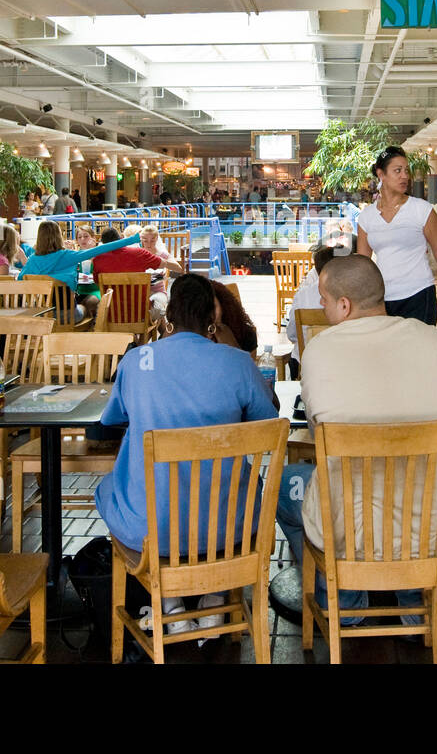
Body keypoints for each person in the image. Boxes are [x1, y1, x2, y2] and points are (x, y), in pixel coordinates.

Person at [275, 254, 437, 623]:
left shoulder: (318, 351)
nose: (320, 305)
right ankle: (417, 609)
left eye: (324, 299)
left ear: (344, 305)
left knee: (284, 487)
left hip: (347, 530)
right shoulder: (436, 341)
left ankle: (344, 604)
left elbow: (317, 426)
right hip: (431, 530)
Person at [95, 273, 278, 636]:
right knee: (227, 490)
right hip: (230, 529)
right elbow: (268, 422)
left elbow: (112, 418)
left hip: (150, 532)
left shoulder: (137, 360)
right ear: (214, 314)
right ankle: (215, 599)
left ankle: (170, 604)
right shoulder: (237, 363)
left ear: (168, 316)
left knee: (107, 487)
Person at [356, 145, 437, 326]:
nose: (405, 176)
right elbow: (363, 264)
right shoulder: (367, 217)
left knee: (419, 352)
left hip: (419, 295)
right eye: (397, 171)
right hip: (382, 300)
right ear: (381, 174)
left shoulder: (421, 210)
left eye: (406, 170)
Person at [18, 220, 136, 320]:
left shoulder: (32, 260)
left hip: (40, 316)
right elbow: (102, 248)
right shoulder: (68, 256)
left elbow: (20, 280)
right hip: (67, 316)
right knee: (86, 308)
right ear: (59, 236)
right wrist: (132, 239)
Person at [282, 240, 350, 378]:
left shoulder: (303, 295)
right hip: (343, 366)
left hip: (306, 366)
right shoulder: (354, 296)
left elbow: (292, 334)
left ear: (317, 270)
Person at [92, 226, 184, 319]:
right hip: (140, 313)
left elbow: (97, 283)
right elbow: (168, 264)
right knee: (157, 308)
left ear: (102, 243)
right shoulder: (139, 253)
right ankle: (161, 331)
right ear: (121, 238)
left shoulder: (97, 259)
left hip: (111, 314)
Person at [209, 280, 259, 354]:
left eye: (212, 307)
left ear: (224, 307)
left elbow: (246, 364)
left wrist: (231, 346)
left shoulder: (245, 334)